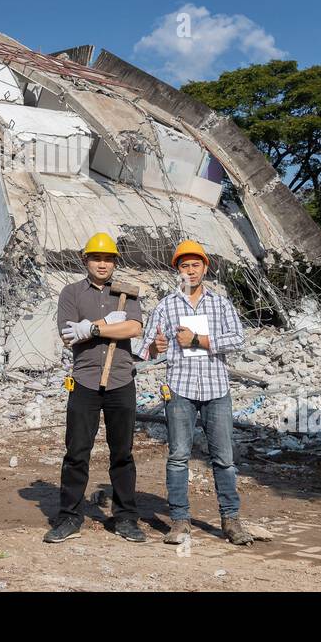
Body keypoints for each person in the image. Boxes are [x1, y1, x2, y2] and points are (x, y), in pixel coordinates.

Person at [145, 240, 256, 546]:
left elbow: (237, 339)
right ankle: (180, 522)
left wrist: (200, 340)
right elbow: (146, 347)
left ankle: (230, 520)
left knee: (224, 459)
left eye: (195, 265)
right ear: (176, 270)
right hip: (179, 389)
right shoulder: (165, 306)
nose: (190, 271)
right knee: (178, 457)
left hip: (216, 389)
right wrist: (157, 346)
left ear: (205, 268)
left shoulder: (220, 304)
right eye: (184, 266)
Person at [44, 232, 146, 544]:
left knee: (122, 453)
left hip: (120, 380)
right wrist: (97, 328)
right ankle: (70, 517)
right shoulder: (71, 293)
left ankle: (126, 518)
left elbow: (134, 327)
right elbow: (68, 335)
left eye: (108, 259)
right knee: (76, 452)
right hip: (85, 380)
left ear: (115, 262)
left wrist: (95, 326)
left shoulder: (126, 294)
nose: (102, 264)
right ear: (85, 260)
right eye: (96, 258)